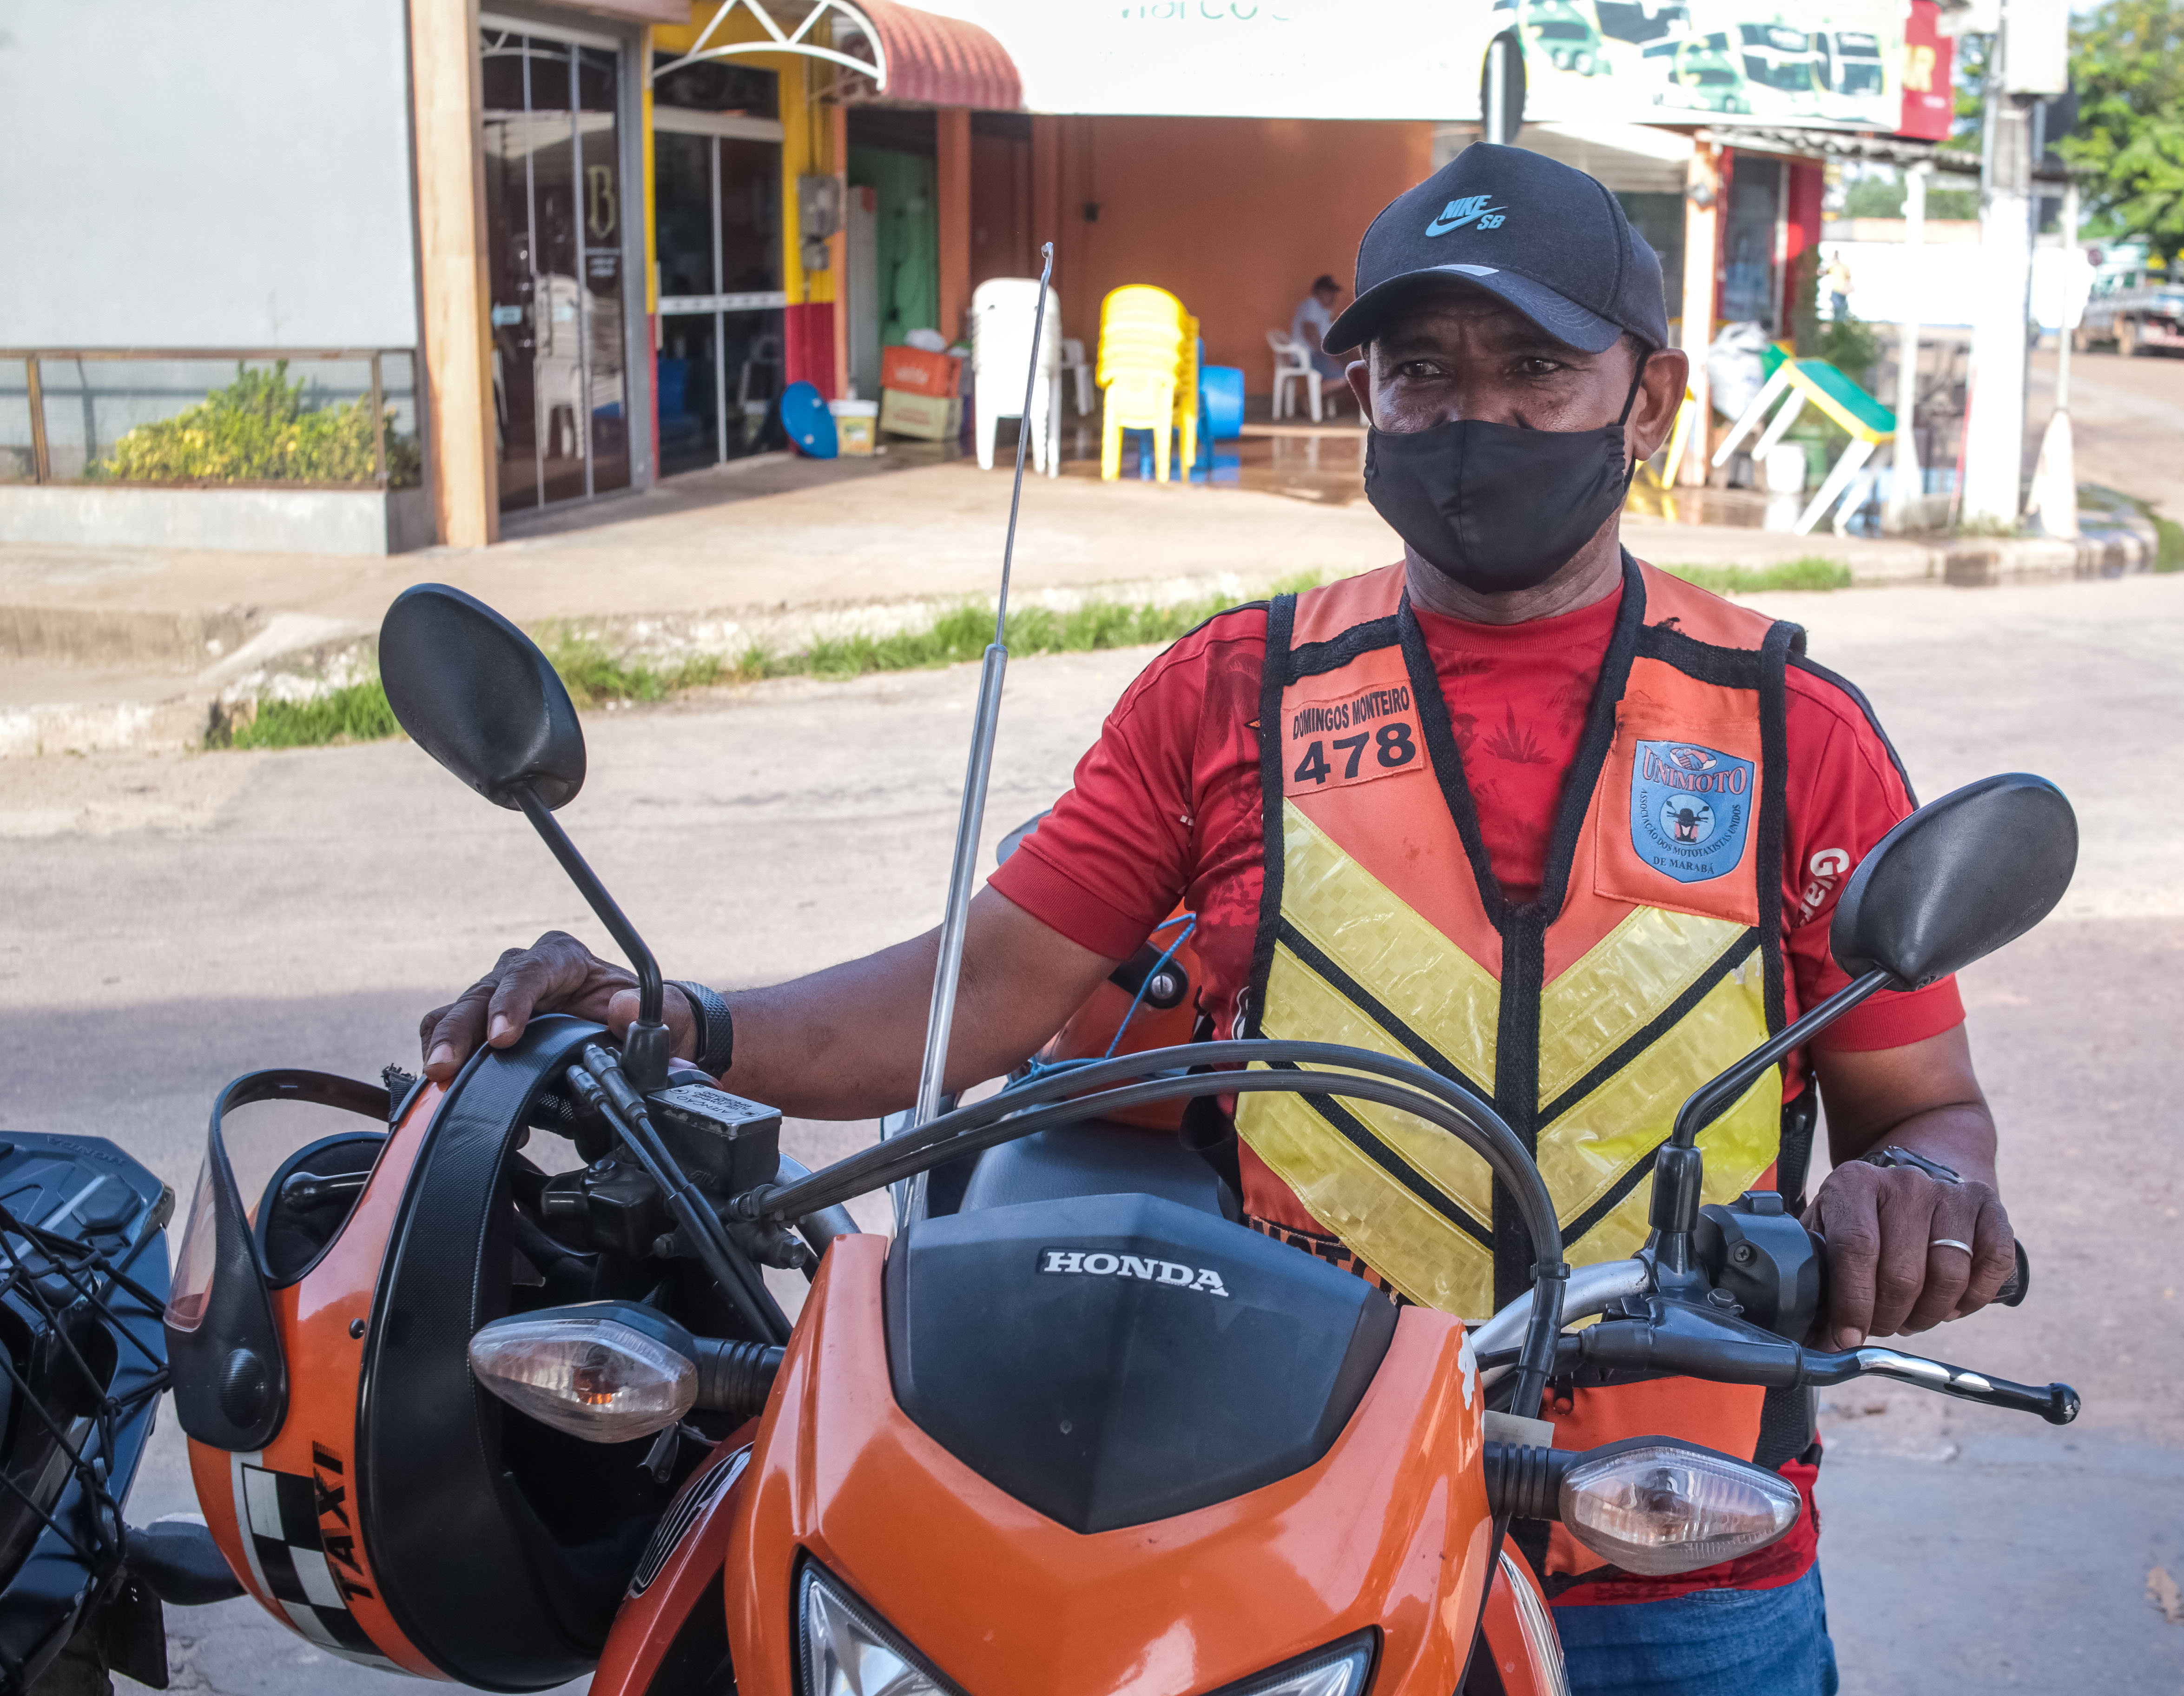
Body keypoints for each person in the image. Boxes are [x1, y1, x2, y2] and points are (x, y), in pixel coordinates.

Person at [422, 145, 2020, 1696]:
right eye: (1424, 371)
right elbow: (978, 994)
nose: (1474, 415)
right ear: (1364, 391)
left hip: (1676, 1542)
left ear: (1650, 398)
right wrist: (675, 1021)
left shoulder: (1790, 729)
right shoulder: (1235, 690)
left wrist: (1923, 1192)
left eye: (1537, 368)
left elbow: (1924, 1105)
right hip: (1303, 1518)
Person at [1291, 273, 1353, 410]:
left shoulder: (1323, 311)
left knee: (1346, 369)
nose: (1333, 296)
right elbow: (1310, 331)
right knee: (1343, 378)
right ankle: (1307, 400)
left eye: (1334, 292)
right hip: (1308, 356)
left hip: (1314, 355)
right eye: (1329, 292)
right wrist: (1327, 357)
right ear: (1319, 291)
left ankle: (1314, 403)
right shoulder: (1312, 304)